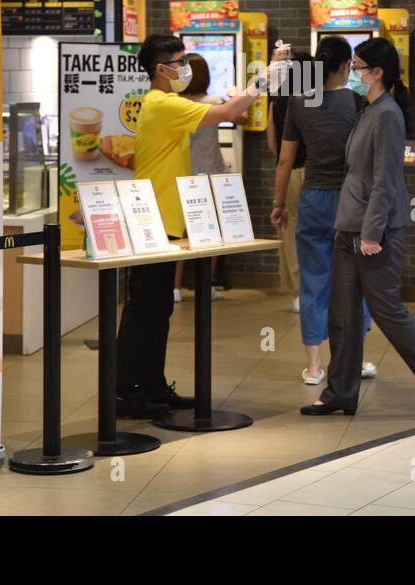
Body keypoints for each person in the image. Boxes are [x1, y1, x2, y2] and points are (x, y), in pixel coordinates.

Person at [301, 37, 415, 421]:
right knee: (342, 312)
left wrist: (371, 233)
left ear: (377, 73)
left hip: (377, 231)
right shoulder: (367, 109)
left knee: (387, 310)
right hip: (348, 226)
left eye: (358, 68)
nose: (352, 73)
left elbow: (387, 181)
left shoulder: (387, 114)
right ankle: (340, 391)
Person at [116, 34, 261, 419]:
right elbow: (228, 112)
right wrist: (262, 81)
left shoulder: (168, 103)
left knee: (158, 306)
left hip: (165, 217)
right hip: (152, 219)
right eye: (180, 62)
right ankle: (126, 391)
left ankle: (151, 385)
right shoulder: (163, 104)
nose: (186, 68)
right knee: (143, 307)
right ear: (161, 69)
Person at [272, 36, 375, 385]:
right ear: (347, 66)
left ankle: (314, 367)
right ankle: (355, 360)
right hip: (351, 201)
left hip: (313, 198)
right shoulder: (360, 103)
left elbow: (285, 159)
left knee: (314, 282)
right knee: (355, 280)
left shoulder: (299, 104)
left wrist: (277, 204)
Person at [173, 54, 244, 303]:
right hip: (211, 174)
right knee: (211, 232)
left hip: (182, 175)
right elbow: (242, 117)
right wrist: (235, 96)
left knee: (181, 234)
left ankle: (176, 287)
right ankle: (207, 285)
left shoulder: (175, 104)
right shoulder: (213, 102)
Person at [267, 46, 311, 312]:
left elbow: (275, 147)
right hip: (318, 172)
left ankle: (297, 293)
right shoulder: (319, 100)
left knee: (290, 231)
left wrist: (278, 200)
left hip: (290, 173)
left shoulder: (279, 101)